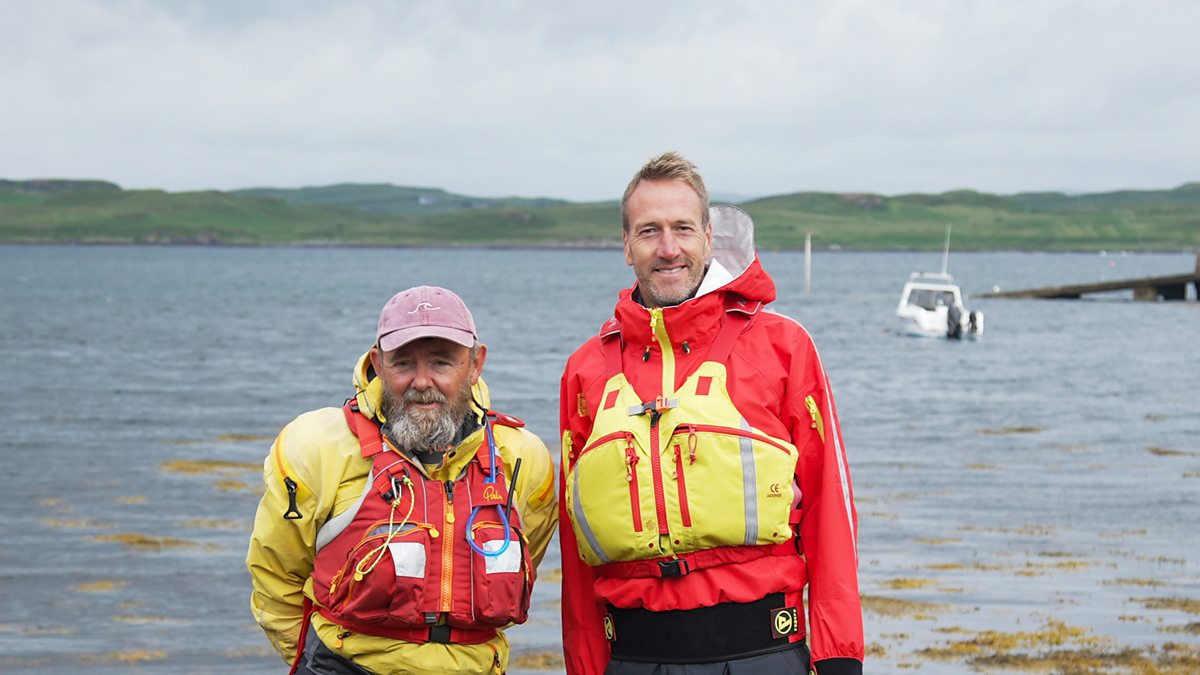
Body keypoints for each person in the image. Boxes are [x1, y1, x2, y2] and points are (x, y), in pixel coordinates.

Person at [558, 152, 864, 674]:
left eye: (682, 228)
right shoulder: (585, 371)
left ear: (707, 236)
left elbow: (829, 510)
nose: (668, 248)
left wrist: (839, 657)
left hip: (763, 654)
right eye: (649, 231)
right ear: (626, 245)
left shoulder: (783, 347)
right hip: (634, 658)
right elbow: (575, 551)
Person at [248, 286, 557, 675]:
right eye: (404, 363)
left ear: (475, 363)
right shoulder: (317, 446)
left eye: (442, 362)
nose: (422, 381)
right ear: (378, 363)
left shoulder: (522, 457)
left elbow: (528, 560)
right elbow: (276, 580)